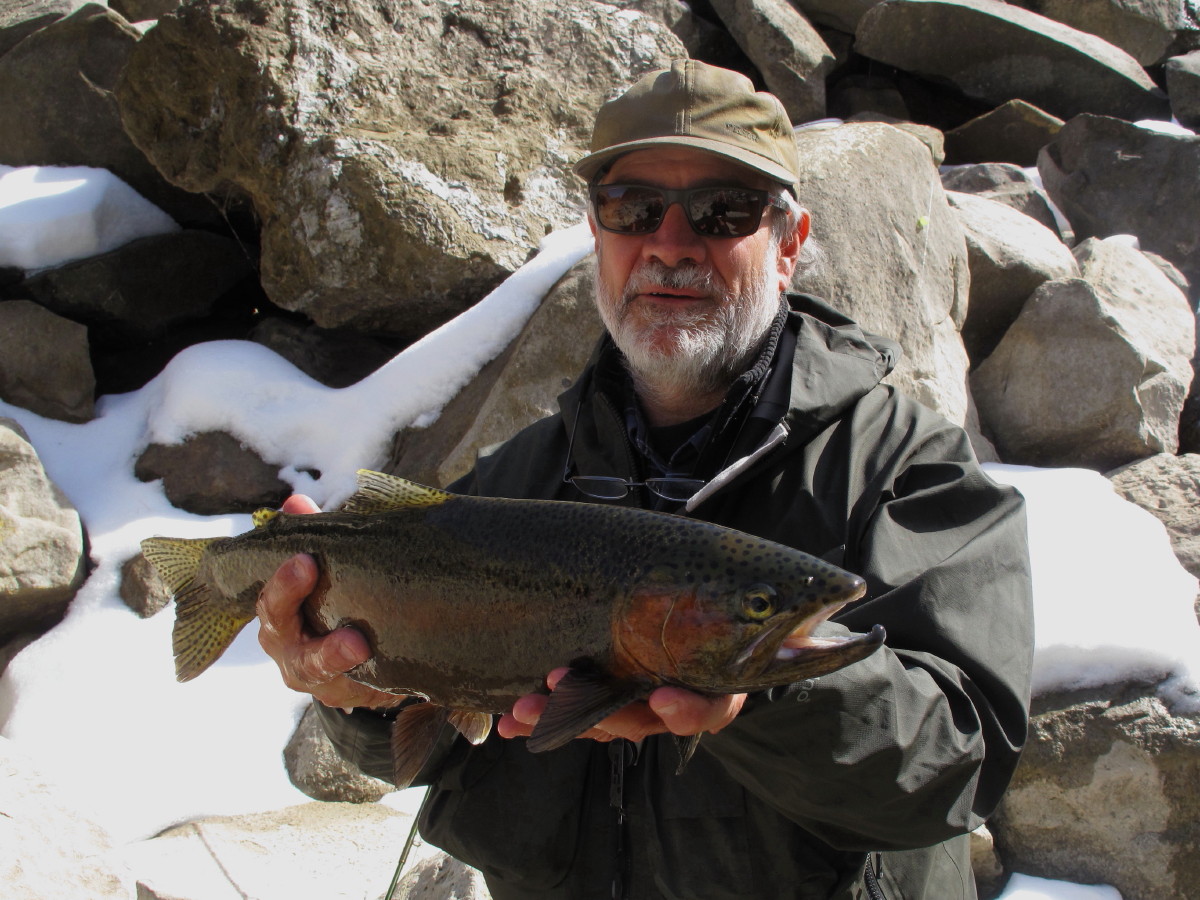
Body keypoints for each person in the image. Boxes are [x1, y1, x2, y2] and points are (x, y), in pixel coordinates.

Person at [256, 59, 1034, 899]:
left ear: (790, 244)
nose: (670, 242)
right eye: (632, 209)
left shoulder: (908, 468)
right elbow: (430, 745)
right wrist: (351, 691)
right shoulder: (515, 478)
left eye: (721, 211)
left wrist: (754, 691)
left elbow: (961, 765)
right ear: (598, 236)